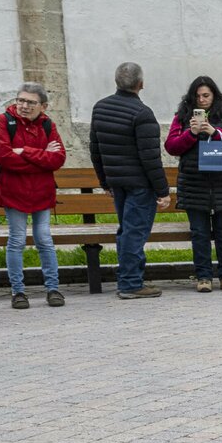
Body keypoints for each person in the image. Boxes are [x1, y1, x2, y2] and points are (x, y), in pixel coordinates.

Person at [89, 62, 173, 299]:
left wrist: (105, 181)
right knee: (134, 233)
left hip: (117, 182)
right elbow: (150, 158)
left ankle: (130, 279)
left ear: (117, 81)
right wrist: (162, 190)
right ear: (141, 84)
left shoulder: (100, 108)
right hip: (139, 184)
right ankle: (130, 283)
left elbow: (95, 149)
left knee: (127, 231)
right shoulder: (142, 113)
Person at [165, 76, 222, 293]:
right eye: (198, 96)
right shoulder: (182, 117)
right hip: (194, 184)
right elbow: (171, 147)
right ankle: (203, 277)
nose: (201, 100)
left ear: (214, 95)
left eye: (206, 95)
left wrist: (215, 132)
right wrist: (191, 133)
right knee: (199, 232)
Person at [0, 83, 67, 309]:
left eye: (30, 102)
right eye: (20, 100)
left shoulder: (48, 124)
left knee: (44, 238)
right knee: (17, 240)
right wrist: (42, 157)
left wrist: (24, 152)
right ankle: (18, 292)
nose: (23, 106)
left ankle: (53, 288)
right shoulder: (3, 122)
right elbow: (3, 157)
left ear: (43, 106)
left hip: (42, 192)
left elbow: (58, 159)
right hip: (13, 192)